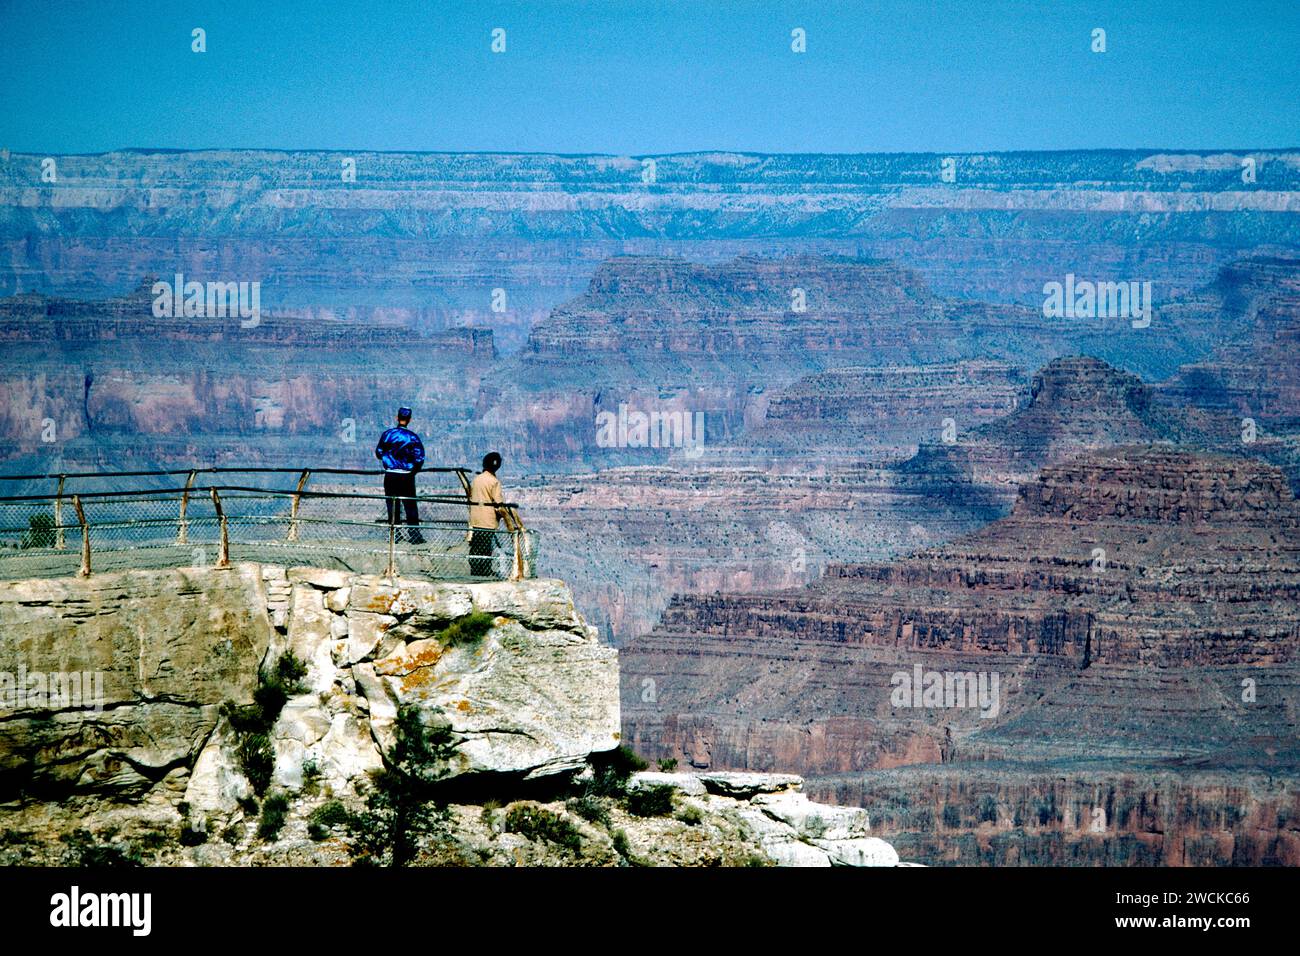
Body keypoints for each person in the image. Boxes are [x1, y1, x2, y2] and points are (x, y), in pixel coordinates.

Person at [375, 407, 425, 544]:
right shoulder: (412, 437)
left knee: (392, 504)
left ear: (397, 418)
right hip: (406, 476)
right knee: (410, 505)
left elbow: (379, 452)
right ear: (409, 420)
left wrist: (389, 460)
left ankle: (394, 534)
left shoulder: (387, 434)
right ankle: (414, 535)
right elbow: (419, 457)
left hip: (390, 475)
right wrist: (412, 469)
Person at [468, 451, 507, 577]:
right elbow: (498, 502)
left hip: (475, 518)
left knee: (476, 545)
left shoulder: (476, 480)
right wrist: (504, 515)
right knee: (486, 547)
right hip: (488, 519)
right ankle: (484, 571)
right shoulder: (494, 482)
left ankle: (475, 569)